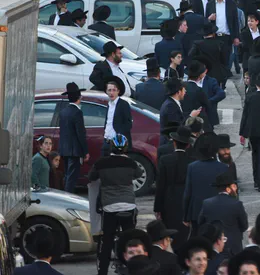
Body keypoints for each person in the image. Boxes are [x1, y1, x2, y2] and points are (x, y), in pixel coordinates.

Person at [89, 134, 143, 275]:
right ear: (125, 148)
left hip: (109, 207)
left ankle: (103, 271)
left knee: (107, 241)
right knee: (129, 239)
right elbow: (138, 174)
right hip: (128, 206)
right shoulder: (131, 163)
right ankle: (132, 269)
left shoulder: (101, 163)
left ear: (111, 147)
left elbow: (91, 177)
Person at [154, 127, 194, 247]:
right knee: (185, 233)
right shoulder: (192, 161)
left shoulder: (165, 160)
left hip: (169, 199)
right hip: (186, 199)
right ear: (188, 145)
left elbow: (160, 185)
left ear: (174, 143)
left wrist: (158, 208)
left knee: (171, 233)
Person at [198, 172, 248, 255]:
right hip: (233, 246)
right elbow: (244, 225)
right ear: (228, 189)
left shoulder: (207, 203)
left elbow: (201, 222)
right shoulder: (237, 204)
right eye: (233, 186)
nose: (235, 189)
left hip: (213, 245)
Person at [59, 82, 89, 193]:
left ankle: (66, 194)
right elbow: (80, 133)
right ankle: (67, 197)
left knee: (67, 175)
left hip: (64, 149)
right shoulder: (77, 112)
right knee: (71, 178)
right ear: (79, 97)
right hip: (74, 151)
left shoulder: (63, 112)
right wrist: (85, 151)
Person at [102, 77, 133, 155]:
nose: (111, 93)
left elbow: (128, 123)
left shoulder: (123, 104)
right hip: (107, 141)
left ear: (118, 91)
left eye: (114, 90)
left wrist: (119, 137)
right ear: (106, 91)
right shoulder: (109, 104)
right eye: (109, 90)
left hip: (118, 143)